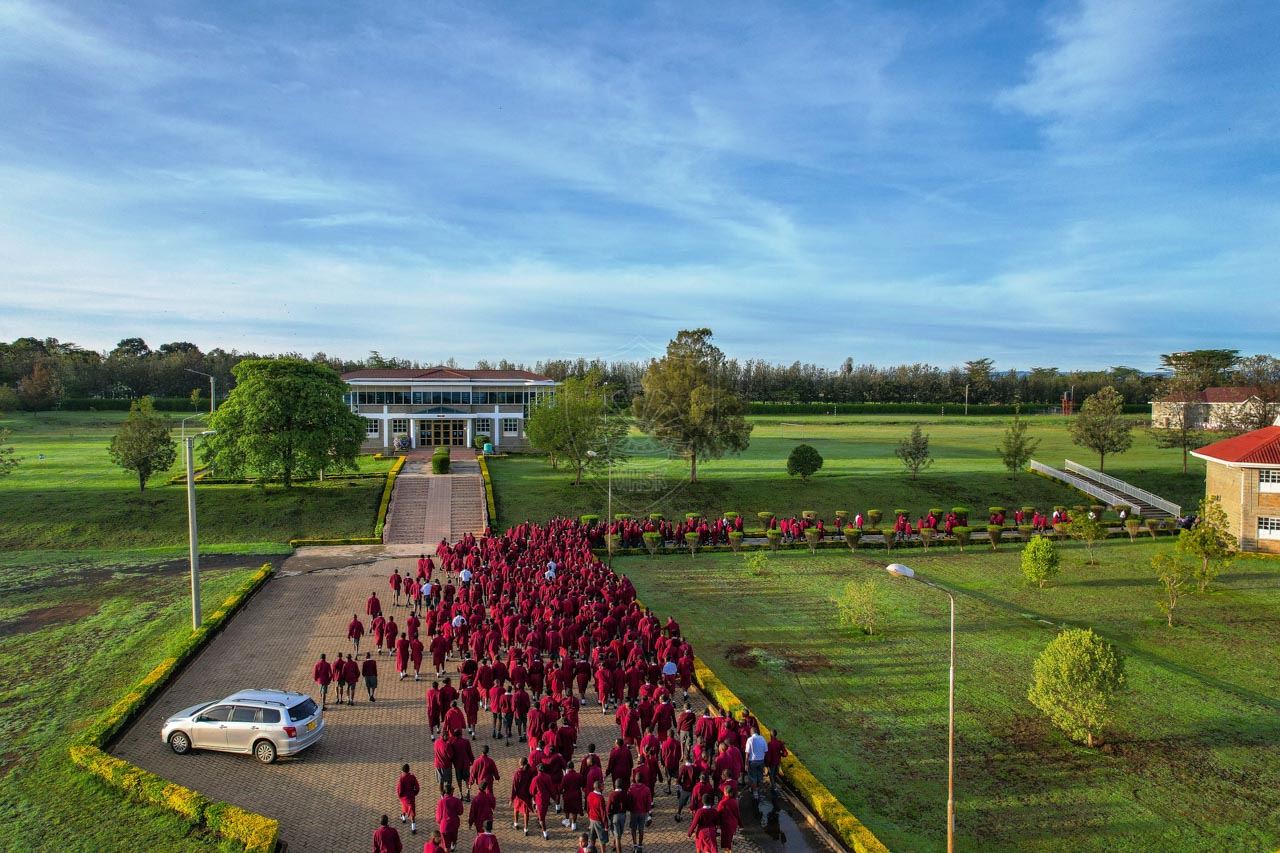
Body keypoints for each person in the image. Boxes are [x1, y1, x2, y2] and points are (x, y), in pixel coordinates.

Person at [627, 769, 653, 851]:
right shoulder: (646, 789)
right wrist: (649, 815)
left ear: (635, 778)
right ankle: (640, 846)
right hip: (642, 812)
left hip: (634, 812)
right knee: (641, 830)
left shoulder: (631, 789)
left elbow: (628, 799)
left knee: (633, 829)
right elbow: (648, 804)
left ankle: (635, 845)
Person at [436, 783, 463, 852]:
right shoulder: (457, 801)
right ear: (451, 791)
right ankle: (453, 846)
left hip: (444, 826)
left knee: (446, 846)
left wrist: (440, 822)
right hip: (454, 824)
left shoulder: (441, 802)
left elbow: (439, 816)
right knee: (454, 838)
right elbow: (460, 812)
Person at [585, 778, 609, 853]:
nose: (603, 787)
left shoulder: (589, 795)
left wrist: (589, 816)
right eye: (602, 786)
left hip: (592, 820)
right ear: (598, 788)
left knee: (592, 838)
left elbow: (588, 808)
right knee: (602, 840)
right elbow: (603, 813)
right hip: (599, 821)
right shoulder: (600, 798)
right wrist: (606, 825)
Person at [743, 727, 767, 799]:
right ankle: (757, 788)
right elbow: (765, 751)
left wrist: (746, 764)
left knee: (753, 777)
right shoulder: (762, 738)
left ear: (751, 733)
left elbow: (747, 753)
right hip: (761, 760)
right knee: (759, 776)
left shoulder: (750, 740)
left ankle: (755, 792)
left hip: (753, 761)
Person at [605, 780, 629, 853]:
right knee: (619, 833)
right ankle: (615, 845)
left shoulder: (612, 795)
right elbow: (628, 804)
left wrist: (609, 815)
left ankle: (618, 849)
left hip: (615, 816)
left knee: (617, 836)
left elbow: (608, 808)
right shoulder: (625, 794)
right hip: (623, 815)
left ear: (615, 785)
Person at [717, 783, 740, 853]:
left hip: (725, 824)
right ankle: (729, 850)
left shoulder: (722, 803)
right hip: (733, 823)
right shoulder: (735, 802)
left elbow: (718, 814)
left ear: (725, 792)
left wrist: (717, 824)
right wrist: (740, 823)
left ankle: (728, 851)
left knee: (726, 840)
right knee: (730, 837)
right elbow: (737, 814)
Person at [399, 763, 421, 835]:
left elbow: (399, 789)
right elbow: (417, 787)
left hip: (404, 798)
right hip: (411, 798)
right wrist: (414, 793)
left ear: (403, 771)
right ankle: (413, 829)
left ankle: (404, 819)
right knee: (412, 815)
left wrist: (401, 796)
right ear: (408, 770)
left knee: (403, 808)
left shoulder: (401, 778)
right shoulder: (412, 777)